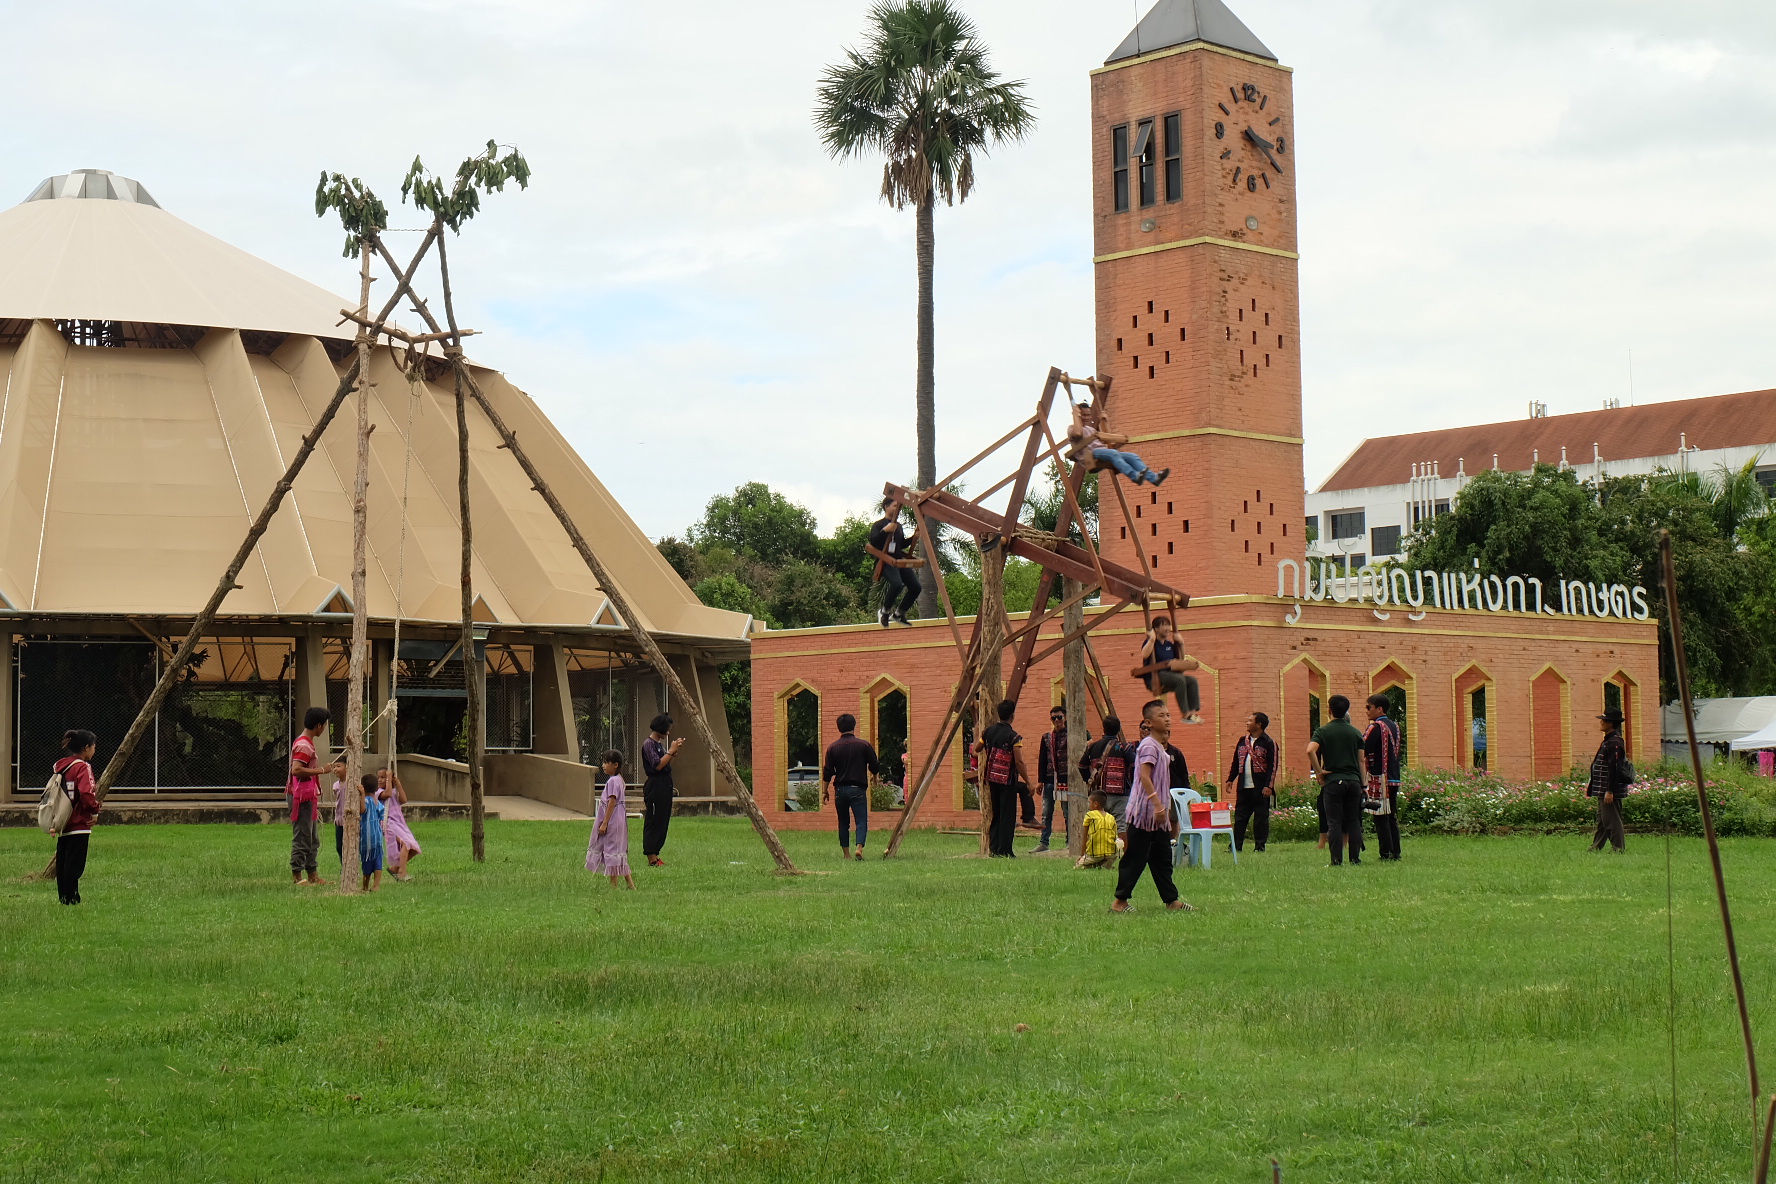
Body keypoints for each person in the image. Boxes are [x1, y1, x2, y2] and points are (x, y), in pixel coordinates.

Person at [1113, 700, 1191, 912]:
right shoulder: (1148, 745)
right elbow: (1145, 777)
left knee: (1162, 857)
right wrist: (1157, 804)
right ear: (1148, 722)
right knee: (1135, 858)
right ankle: (1120, 902)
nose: (1167, 719)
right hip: (1144, 814)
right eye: (1161, 715)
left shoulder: (1159, 746)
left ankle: (1172, 901)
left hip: (1158, 817)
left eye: (1168, 715)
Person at [1307, 694, 1366, 866]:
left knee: (1334, 822)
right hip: (1354, 781)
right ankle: (1355, 859)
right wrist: (1363, 784)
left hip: (1333, 781)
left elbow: (1310, 750)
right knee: (1354, 821)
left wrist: (1319, 771)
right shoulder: (1355, 732)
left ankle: (1336, 860)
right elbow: (1361, 761)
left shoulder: (1323, 731)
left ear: (1329, 710)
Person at [51, 729, 102, 906]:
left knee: (63, 862)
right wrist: (95, 811)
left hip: (62, 821)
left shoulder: (61, 766)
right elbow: (87, 793)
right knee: (75, 864)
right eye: (94, 746)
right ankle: (72, 898)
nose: (95, 750)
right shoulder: (83, 766)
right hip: (79, 822)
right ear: (86, 747)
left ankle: (64, 897)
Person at [975, 699, 1031, 858]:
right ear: (1012, 715)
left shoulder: (988, 732)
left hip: (992, 779)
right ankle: (1005, 850)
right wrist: (1028, 782)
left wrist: (979, 734)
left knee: (997, 814)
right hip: (1007, 781)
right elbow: (1019, 761)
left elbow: (977, 750)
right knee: (1007, 816)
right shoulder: (1014, 737)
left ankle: (994, 848)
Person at [1067, 401, 1169, 487]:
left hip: (1102, 452)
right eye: (1084, 415)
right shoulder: (1073, 428)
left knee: (1132, 456)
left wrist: (1105, 421)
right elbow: (1077, 433)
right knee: (1113, 453)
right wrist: (1075, 415)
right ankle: (1134, 476)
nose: (1086, 418)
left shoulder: (1091, 429)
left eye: (1088, 415)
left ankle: (1154, 478)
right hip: (1090, 454)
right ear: (1079, 415)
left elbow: (1108, 438)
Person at [822, 713, 880, 861]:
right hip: (857, 789)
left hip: (840, 790)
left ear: (838, 728)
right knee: (861, 820)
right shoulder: (864, 745)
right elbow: (874, 764)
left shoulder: (832, 748)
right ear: (854, 726)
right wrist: (874, 777)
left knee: (843, 822)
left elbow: (827, 771)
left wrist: (824, 791)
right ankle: (859, 848)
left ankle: (846, 854)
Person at [287, 706, 331, 886]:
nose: (325, 728)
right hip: (300, 797)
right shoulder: (304, 745)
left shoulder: (305, 742)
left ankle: (313, 875)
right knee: (303, 836)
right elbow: (296, 769)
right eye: (325, 725)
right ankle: (297, 877)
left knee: (313, 836)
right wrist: (321, 770)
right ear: (318, 725)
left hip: (308, 796)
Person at [866, 498, 925, 628]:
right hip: (886, 561)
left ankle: (899, 613)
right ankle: (885, 611)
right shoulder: (879, 525)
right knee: (897, 584)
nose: (897, 508)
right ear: (886, 507)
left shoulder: (898, 526)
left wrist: (913, 538)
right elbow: (874, 541)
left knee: (916, 587)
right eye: (894, 505)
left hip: (898, 560)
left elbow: (900, 544)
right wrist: (885, 531)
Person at [1225, 712, 1279, 853]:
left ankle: (1259, 846)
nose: (1247, 722)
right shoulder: (1243, 741)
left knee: (1261, 818)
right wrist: (1230, 779)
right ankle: (1236, 846)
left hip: (1260, 787)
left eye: (1250, 720)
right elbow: (1236, 762)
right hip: (1244, 786)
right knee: (1240, 817)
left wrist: (1269, 786)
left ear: (1259, 724)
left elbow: (1273, 766)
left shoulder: (1269, 743)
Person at [1138, 617, 1202, 725]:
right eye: (1164, 625)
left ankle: (1192, 712)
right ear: (1156, 629)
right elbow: (1144, 654)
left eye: (1168, 625)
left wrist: (1181, 643)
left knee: (1192, 680)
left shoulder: (1169, 645)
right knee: (1180, 680)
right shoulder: (1151, 642)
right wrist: (1152, 639)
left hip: (1170, 676)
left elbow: (1180, 659)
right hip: (1157, 676)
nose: (1168, 628)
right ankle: (1185, 713)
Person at [1362, 694, 1404, 861]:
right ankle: (1396, 852)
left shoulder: (1376, 727)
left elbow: (1362, 746)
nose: (1367, 712)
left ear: (1379, 708)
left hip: (1379, 777)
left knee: (1380, 816)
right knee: (1391, 815)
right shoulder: (1395, 726)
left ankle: (1385, 853)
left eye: (1369, 707)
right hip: (1393, 777)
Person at [587, 749, 635, 888]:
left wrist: (605, 823)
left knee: (612, 851)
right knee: (618, 852)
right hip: (619, 820)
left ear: (615, 765)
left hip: (613, 821)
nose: (603, 765)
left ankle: (614, 885)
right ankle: (630, 884)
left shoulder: (613, 781)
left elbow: (612, 802)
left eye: (606, 762)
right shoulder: (619, 780)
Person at [641, 714, 684, 868]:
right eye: (667, 729)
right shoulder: (649, 744)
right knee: (654, 819)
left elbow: (665, 764)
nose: (668, 733)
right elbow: (657, 765)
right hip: (655, 785)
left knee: (663, 819)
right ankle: (651, 855)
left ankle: (656, 853)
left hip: (665, 784)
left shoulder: (659, 744)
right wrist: (670, 751)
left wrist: (673, 752)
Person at [1078, 716, 1134, 832]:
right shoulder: (1124, 747)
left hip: (1098, 794)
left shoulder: (1093, 747)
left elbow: (1081, 766)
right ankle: (1121, 850)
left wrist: (1090, 780)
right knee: (1120, 828)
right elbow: (1135, 766)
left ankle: (1099, 849)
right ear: (1118, 730)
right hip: (1120, 795)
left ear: (1103, 729)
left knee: (1098, 828)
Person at [1588, 707, 1631, 852]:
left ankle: (1618, 848)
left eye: (1604, 720)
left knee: (1612, 820)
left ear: (1611, 723)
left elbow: (1614, 768)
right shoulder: (1610, 741)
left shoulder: (1615, 743)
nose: (1601, 723)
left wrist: (1610, 790)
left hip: (1609, 789)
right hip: (1603, 788)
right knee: (1603, 820)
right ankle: (1596, 847)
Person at [1035, 705, 1076, 854]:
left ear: (1065, 717)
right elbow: (1042, 760)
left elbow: (1088, 740)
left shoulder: (1072, 735)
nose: (1057, 720)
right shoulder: (1047, 737)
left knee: (1067, 811)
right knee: (1047, 812)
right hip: (1050, 779)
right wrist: (1040, 780)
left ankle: (1070, 842)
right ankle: (1044, 842)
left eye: (1059, 717)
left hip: (1066, 779)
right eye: (1054, 718)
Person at [380, 765, 421, 882]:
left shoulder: (393, 791)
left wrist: (397, 784)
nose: (380, 780)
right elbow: (386, 795)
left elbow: (403, 800)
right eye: (379, 777)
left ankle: (395, 868)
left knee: (414, 848)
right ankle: (402, 873)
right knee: (406, 844)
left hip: (399, 823)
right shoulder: (379, 792)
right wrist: (388, 780)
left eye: (383, 777)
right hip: (388, 823)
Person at [358, 772, 387, 892]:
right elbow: (381, 815)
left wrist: (362, 794)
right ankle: (376, 885)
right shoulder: (377, 802)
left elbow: (362, 810)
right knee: (378, 862)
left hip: (367, 838)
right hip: (378, 837)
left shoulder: (367, 801)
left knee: (367, 862)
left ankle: (365, 886)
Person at [1074, 791, 1118, 869]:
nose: (1088, 805)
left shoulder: (1089, 815)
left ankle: (1094, 864)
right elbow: (1115, 836)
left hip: (1095, 854)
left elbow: (1085, 837)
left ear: (1096, 804)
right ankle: (1104, 864)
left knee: (1078, 867)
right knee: (1104, 867)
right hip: (1111, 854)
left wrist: (1082, 855)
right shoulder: (1111, 817)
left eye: (1089, 802)